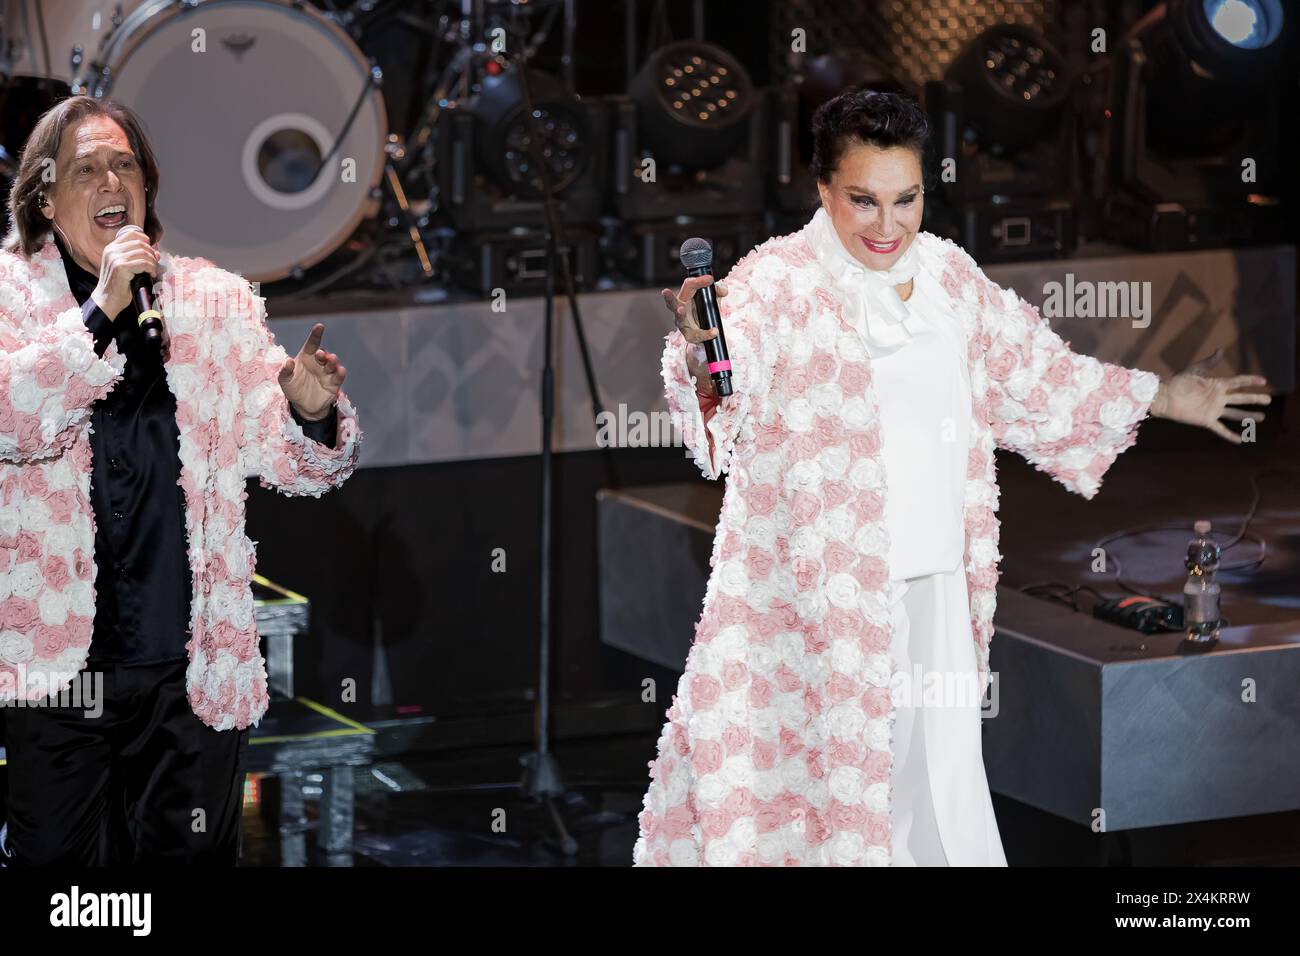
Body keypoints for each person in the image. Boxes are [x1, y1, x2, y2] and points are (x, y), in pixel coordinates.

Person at [632, 88, 1271, 867]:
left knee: (931, 801)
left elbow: (1041, 378)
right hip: (815, 613)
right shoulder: (775, 285)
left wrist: (1169, 394)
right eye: (863, 201)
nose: (887, 225)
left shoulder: (947, 278)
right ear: (824, 190)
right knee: (820, 806)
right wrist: (703, 358)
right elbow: (719, 412)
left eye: (906, 200)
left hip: (937, 593)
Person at [0, 96, 362, 865]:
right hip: (63, 672)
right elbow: (12, 421)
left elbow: (298, 465)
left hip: (188, 665)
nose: (111, 181)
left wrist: (310, 415)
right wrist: (100, 310)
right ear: (43, 195)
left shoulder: (210, 301)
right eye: (87, 167)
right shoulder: (10, 299)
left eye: (125, 164)